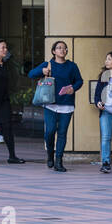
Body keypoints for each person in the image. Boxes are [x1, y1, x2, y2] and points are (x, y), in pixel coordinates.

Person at [27, 41, 83, 172]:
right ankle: (50, 154)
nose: (62, 50)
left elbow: (79, 81)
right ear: (53, 51)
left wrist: (73, 88)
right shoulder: (48, 64)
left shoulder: (72, 66)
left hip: (67, 104)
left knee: (62, 133)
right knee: (50, 131)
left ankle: (59, 161)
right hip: (50, 104)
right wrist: (42, 70)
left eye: (64, 48)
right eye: (59, 48)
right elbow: (31, 74)